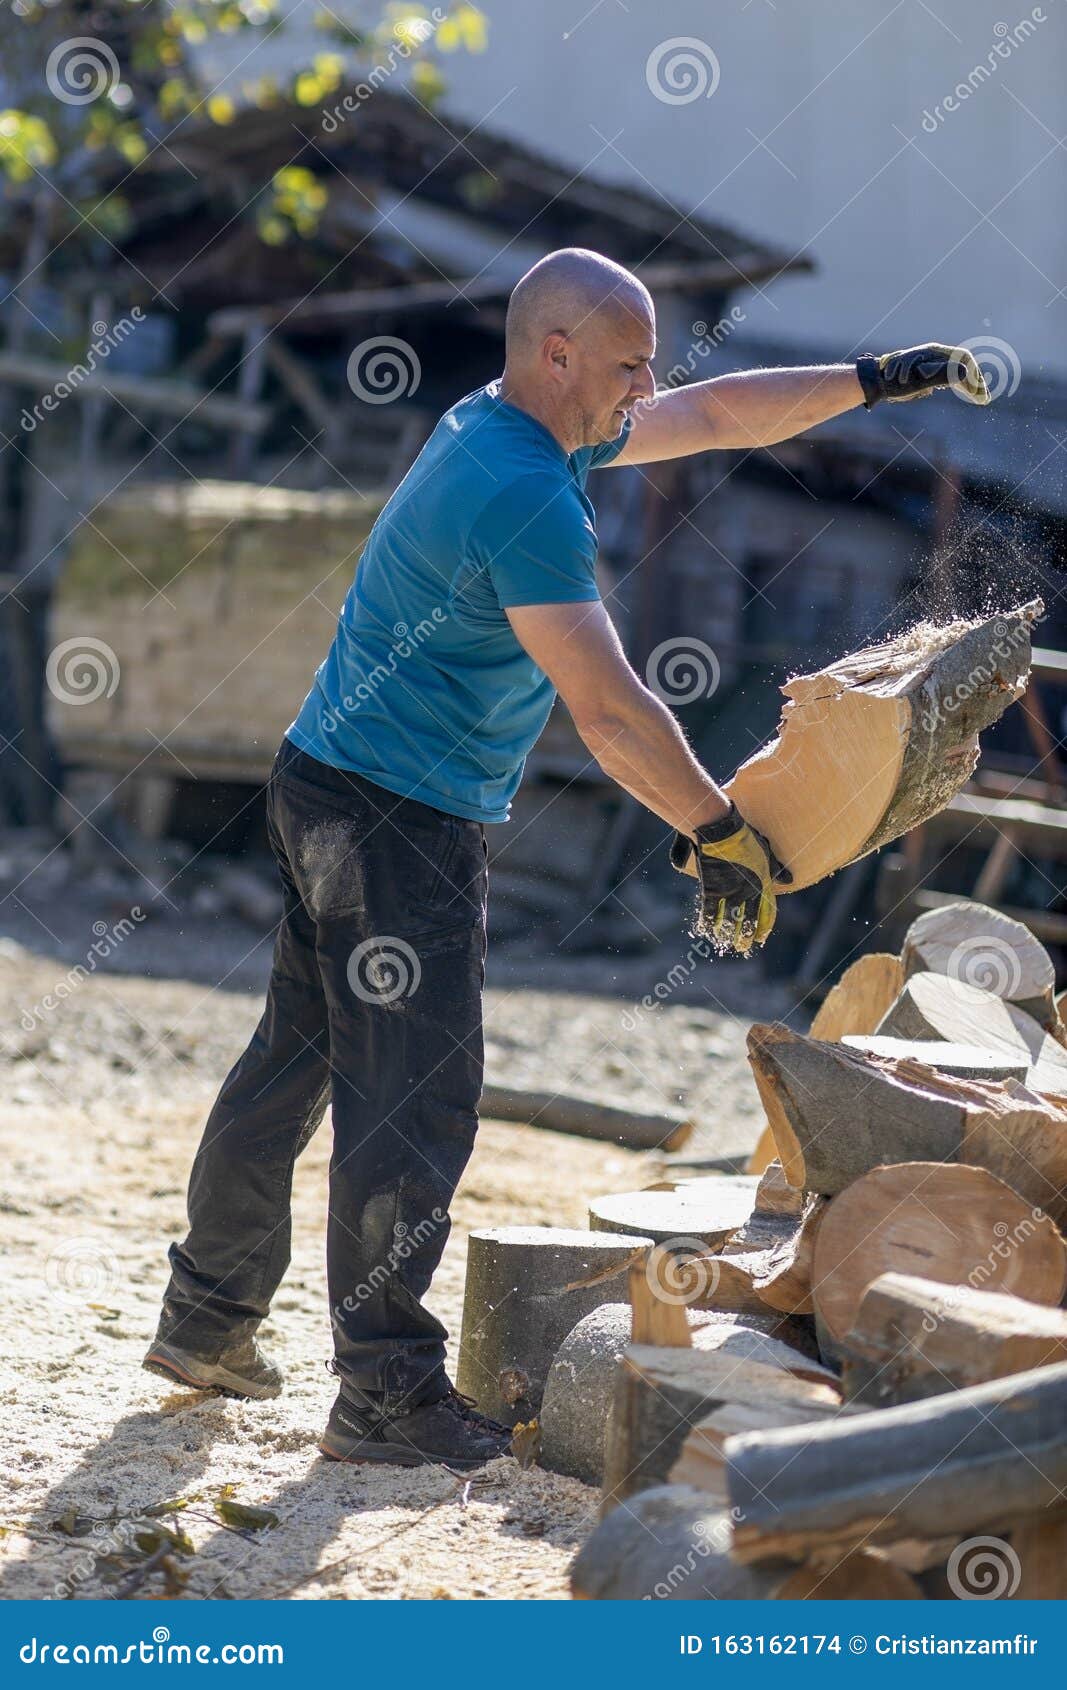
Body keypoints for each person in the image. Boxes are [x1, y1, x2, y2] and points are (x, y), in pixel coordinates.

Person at [144, 247, 989, 1470]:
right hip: (397, 821)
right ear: (558, 354)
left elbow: (713, 414)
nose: (651, 382)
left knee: (299, 1053)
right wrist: (718, 832)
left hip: (326, 780)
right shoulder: (523, 489)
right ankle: (381, 1391)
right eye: (631, 360)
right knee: (415, 1096)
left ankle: (205, 1318)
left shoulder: (521, 424)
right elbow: (608, 709)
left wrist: (869, 379)